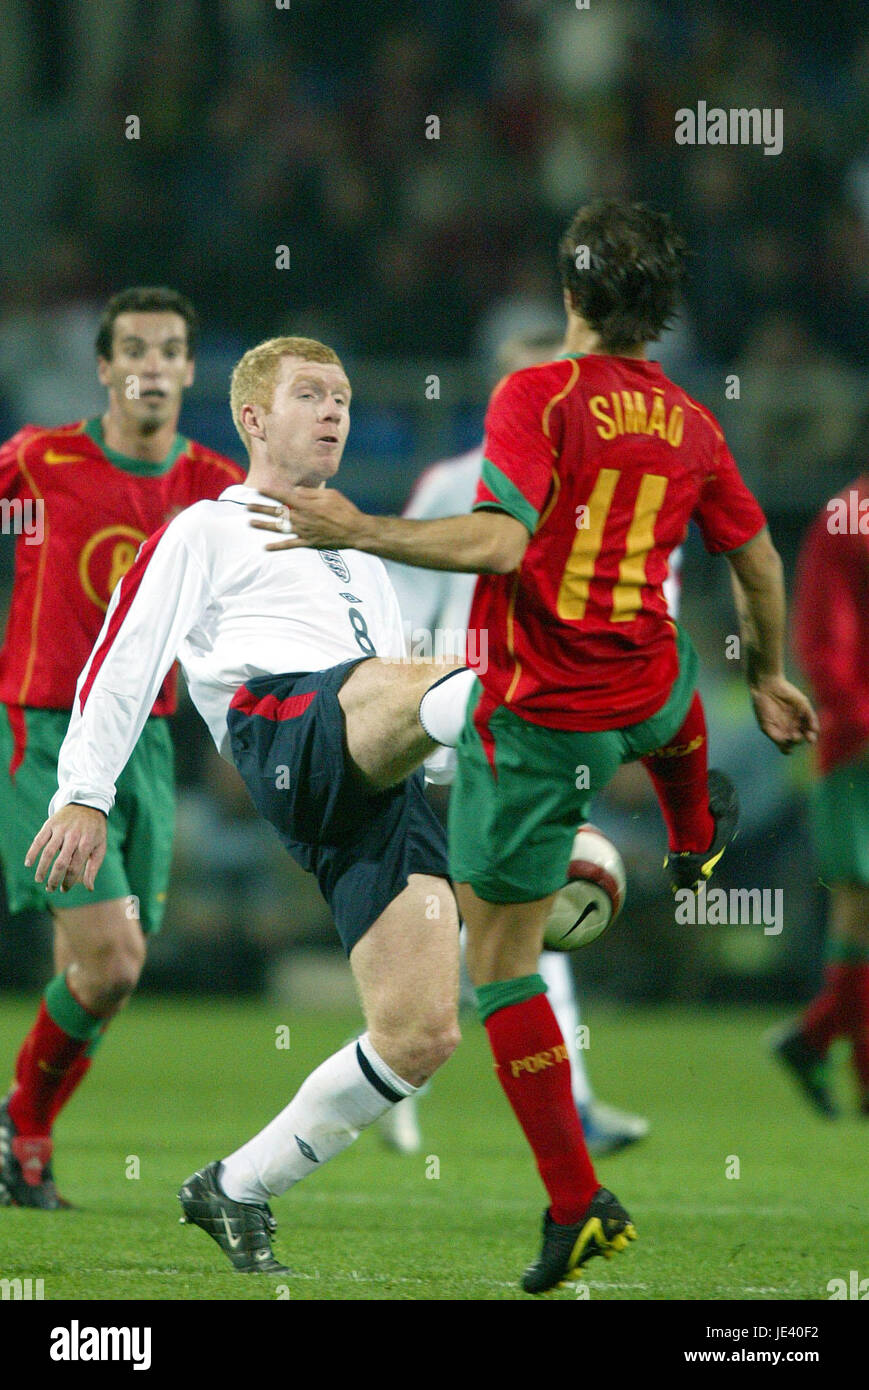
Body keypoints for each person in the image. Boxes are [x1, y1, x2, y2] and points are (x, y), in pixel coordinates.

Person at [250, 199, 819, 1293]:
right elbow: (754, 562)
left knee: (500, 960)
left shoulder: (536, 394)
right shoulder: (693, 423)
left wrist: (353, 523)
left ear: (566, 295)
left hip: (542, 710)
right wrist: (768, 674)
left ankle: (576, 1203)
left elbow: (503, 540)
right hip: (652, 688)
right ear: (658, 312)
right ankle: (695, 833)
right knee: (675, 715)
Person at [25, 335, 472, 1276]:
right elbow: (124, 654)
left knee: (422, 1031)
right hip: (284, 724)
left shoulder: (362, 553)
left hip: (364, 767)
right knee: (445, 679)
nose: (336, 411)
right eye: (312, 393)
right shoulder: (205, 528)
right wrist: (84, 794)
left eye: (345, 398)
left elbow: (404, 715)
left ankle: (236, 1186)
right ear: (253, 419)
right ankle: (542, 710)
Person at [383, 325, 661, 1158]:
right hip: (447, 715)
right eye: (514, 378)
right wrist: (403, 703)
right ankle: (390, 1078)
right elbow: (403, 590)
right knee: (451, 917)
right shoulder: (452, 481)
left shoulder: (590, 481)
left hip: (538, 720)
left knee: (526, 909)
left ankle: (563, 1099)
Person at [0, 287, 243, 1210]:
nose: (151, 363)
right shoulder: (41, 459)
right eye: (132, 347)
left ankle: (21, 1137)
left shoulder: (216, 490)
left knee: (106, 973)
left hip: (147, 739)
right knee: (113, 960)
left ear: (188, 369)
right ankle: (20, 1127)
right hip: (47, 731)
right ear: (103, 367)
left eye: (170, 348)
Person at [772, 470, 869, 1117]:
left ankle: (813, 1039)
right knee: (857, 910)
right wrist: (855, 717)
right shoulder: (846, 519)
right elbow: (820, 640)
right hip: (856, 749)